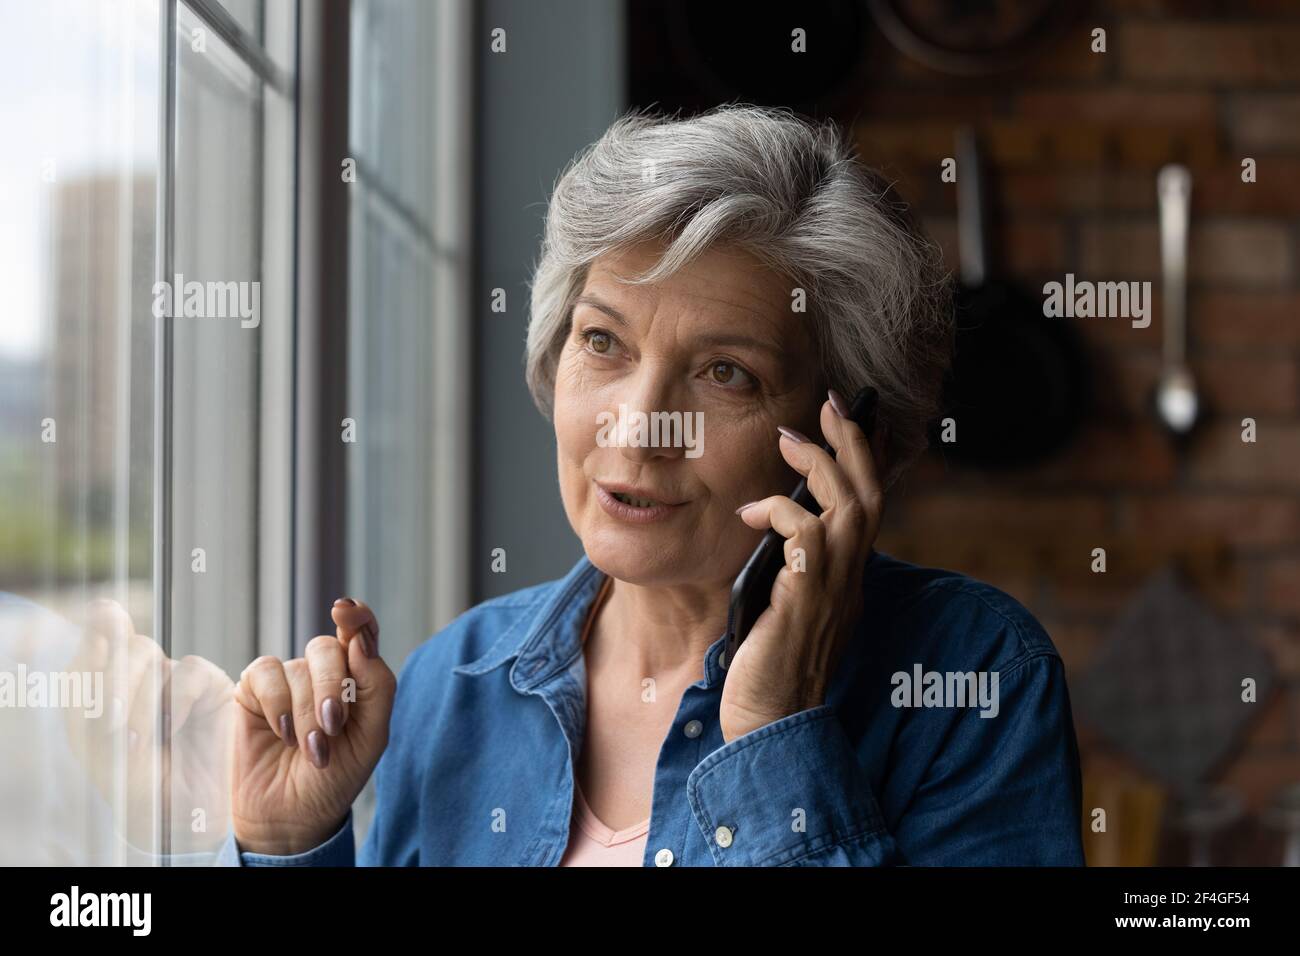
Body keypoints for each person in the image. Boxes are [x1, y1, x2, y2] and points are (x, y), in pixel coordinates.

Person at [220, 105, 1084, 867]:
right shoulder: (456, 680)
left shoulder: (974, 677)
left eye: (724, 373)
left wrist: (777, 730)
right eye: (603, 343)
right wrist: (287, 843)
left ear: (854, 435)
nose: (638, 429)